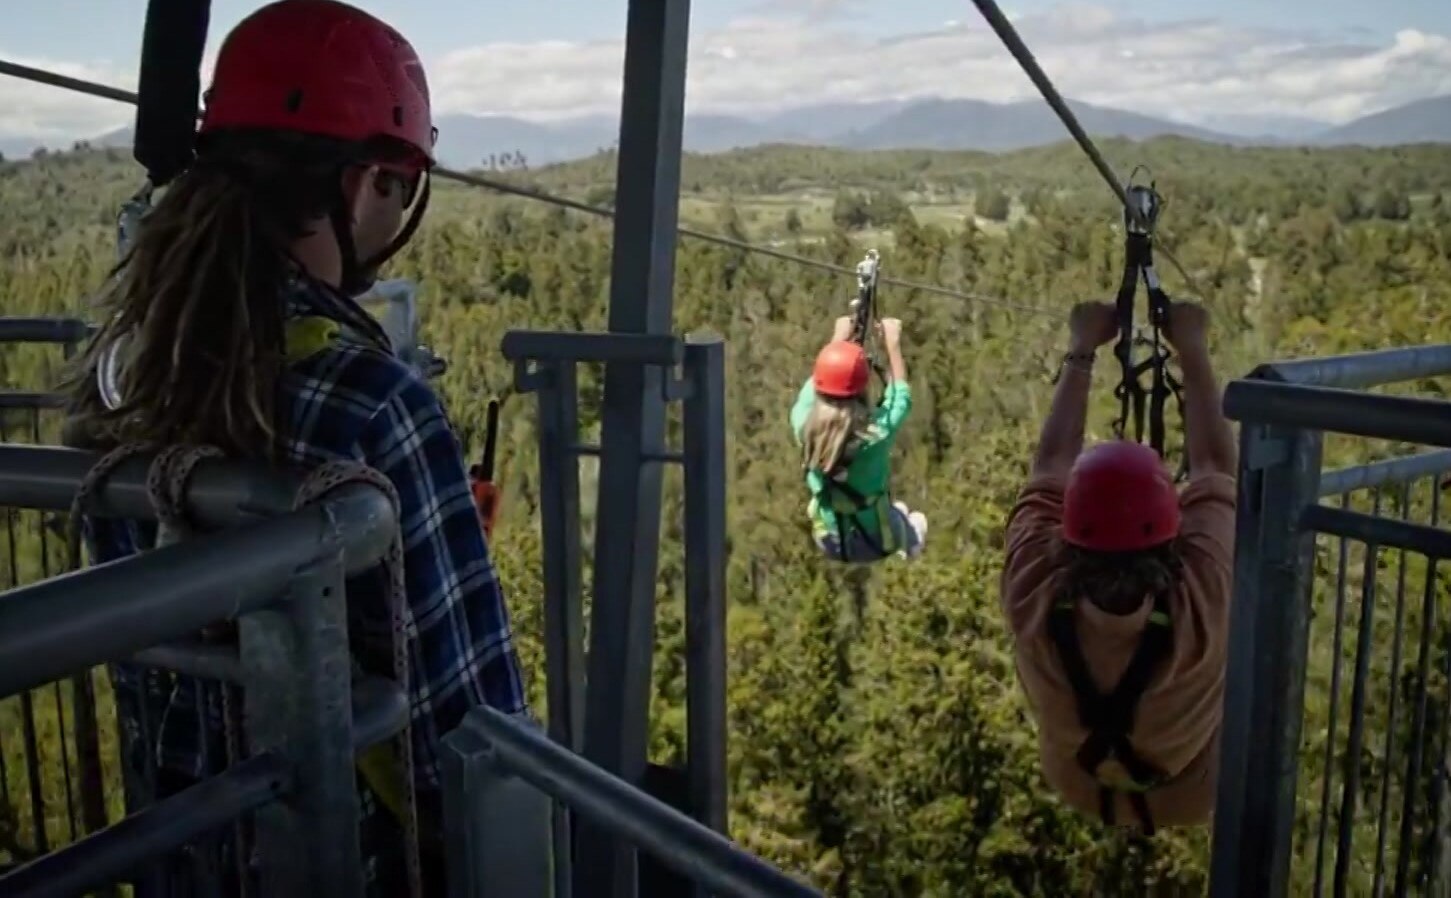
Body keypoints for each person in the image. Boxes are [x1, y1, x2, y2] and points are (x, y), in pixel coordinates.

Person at [59, 1, 527, 894]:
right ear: (361, 185)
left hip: (189, 847)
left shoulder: (123, 383)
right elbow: (468, 732)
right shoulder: (374, 407)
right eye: (396, 185)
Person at [999, 299, 1237, 833]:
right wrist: (1192, 347)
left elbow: (1050, 466)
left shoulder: (1031, 588)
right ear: (1171, 524)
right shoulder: (1204, 593)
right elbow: (1215, 468)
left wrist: (1083, 347)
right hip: (1192, 788)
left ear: (1070, 525)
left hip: (1076, 778)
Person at [790, 315, 928, 562]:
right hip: (876, 541)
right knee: (910, 520)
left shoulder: (803, 423)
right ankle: (911, 541)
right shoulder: (873, 435)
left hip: (829, 540)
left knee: (878, 508)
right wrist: (893, 344)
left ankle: (898, 518)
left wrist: (838, 341)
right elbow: (900, 397)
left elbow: (818, 383)